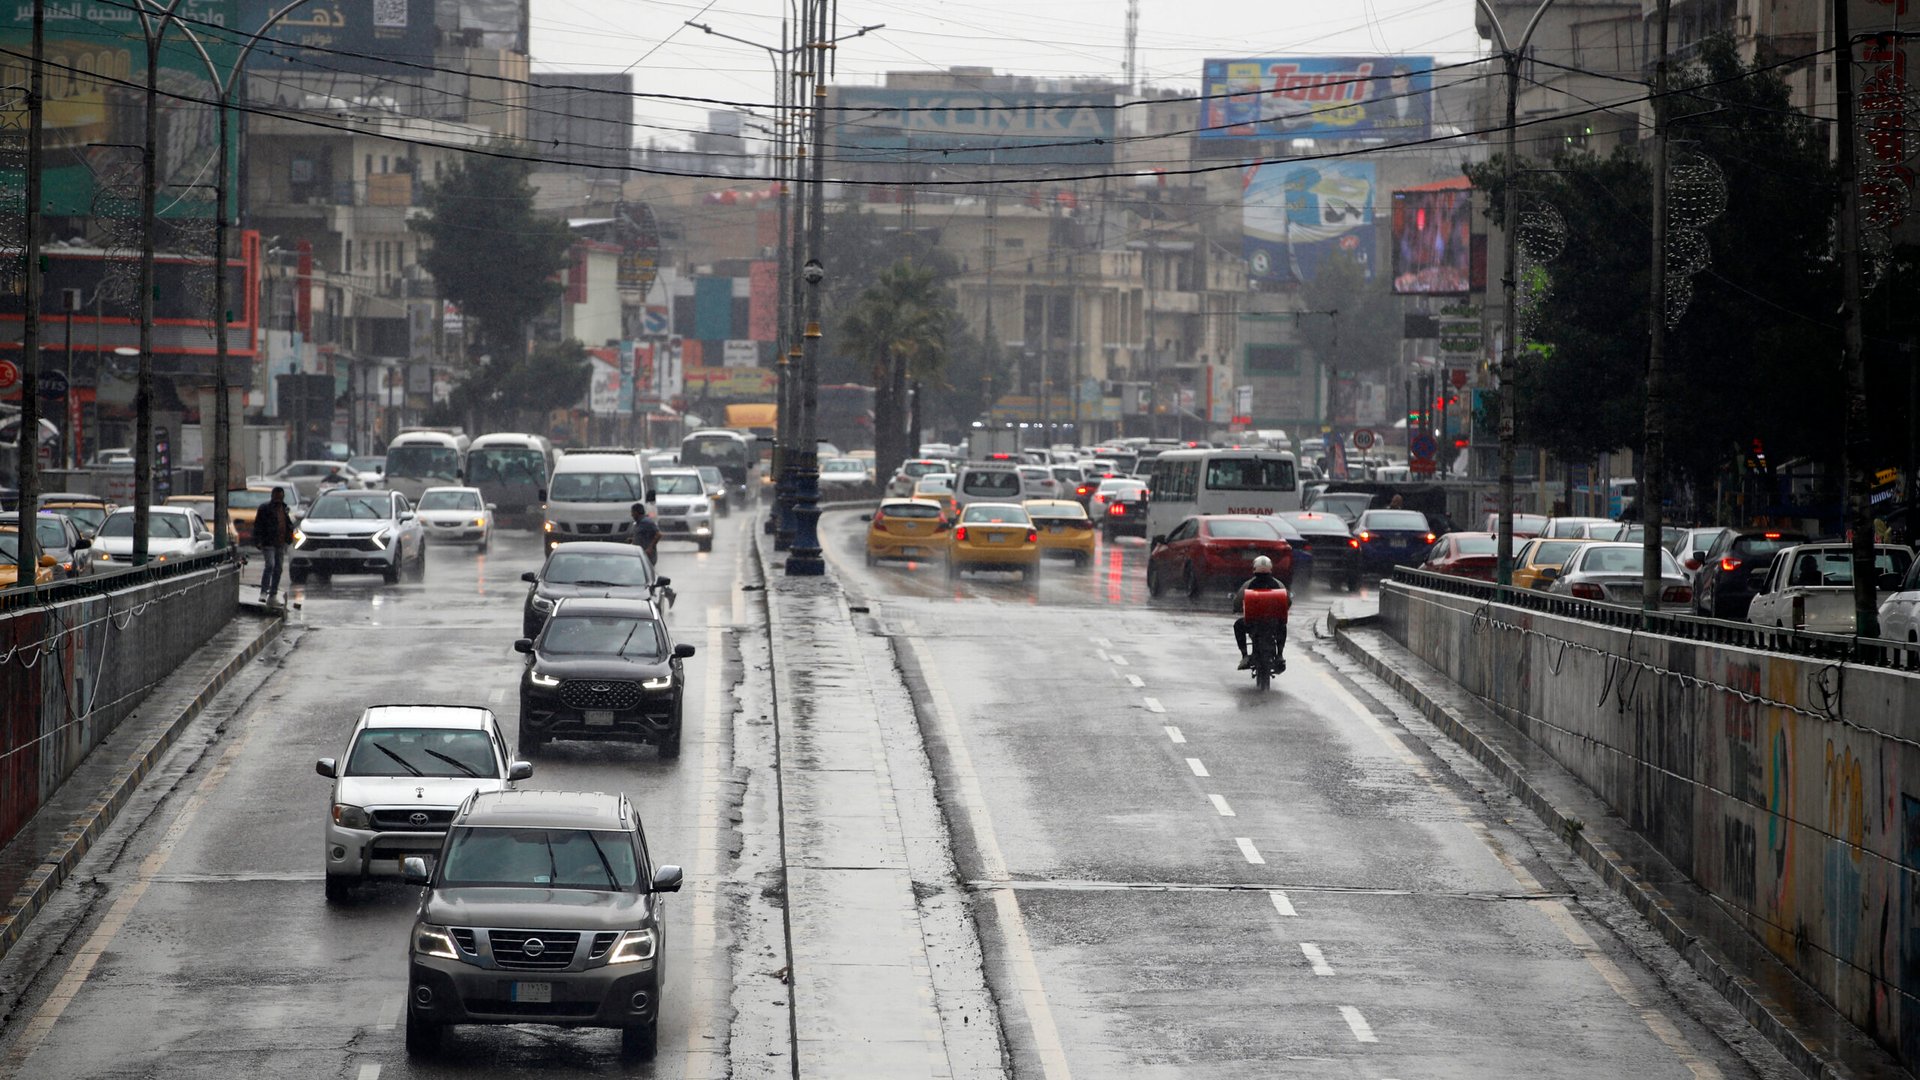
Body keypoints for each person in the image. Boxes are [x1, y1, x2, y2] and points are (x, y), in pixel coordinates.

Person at [1234, 555, 1289, 671]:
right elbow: (1287, 601)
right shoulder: (1279, 585)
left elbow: (1238, 601)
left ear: (1254, 569)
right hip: (1273, 623)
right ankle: (1279, 654)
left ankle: (1244, 655)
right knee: (1282, 627)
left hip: (1253, 623)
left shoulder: (1248, 584)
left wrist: (1236, 608)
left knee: (1238, 625)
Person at [252, 486, 296, 605]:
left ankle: (273, 595)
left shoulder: (284, 509)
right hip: (268, 543)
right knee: (270, 565)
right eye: (277, 496)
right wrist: (258, 541)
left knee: (278, 568)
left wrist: (289, 538)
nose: (278, 499)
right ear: (272, 496)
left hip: (280, 544)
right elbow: (258, 525)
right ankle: (263, 592)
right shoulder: (265, 508)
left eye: (280, 497)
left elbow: (288, 524)